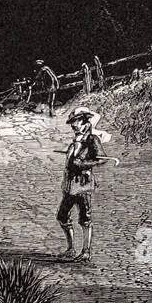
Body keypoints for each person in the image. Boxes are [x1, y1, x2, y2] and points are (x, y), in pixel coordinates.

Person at [58, 106, 102, 261]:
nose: (73, 125)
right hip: (70, 185)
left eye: (75, 121)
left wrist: (83, 163)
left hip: (82, 185)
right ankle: (70, 249)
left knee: (85, 217)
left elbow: (100, 160)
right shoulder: (75, 140)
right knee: (62, 216)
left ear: (84, 121)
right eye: (72, 122)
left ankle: (86, 252)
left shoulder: (91, 139)